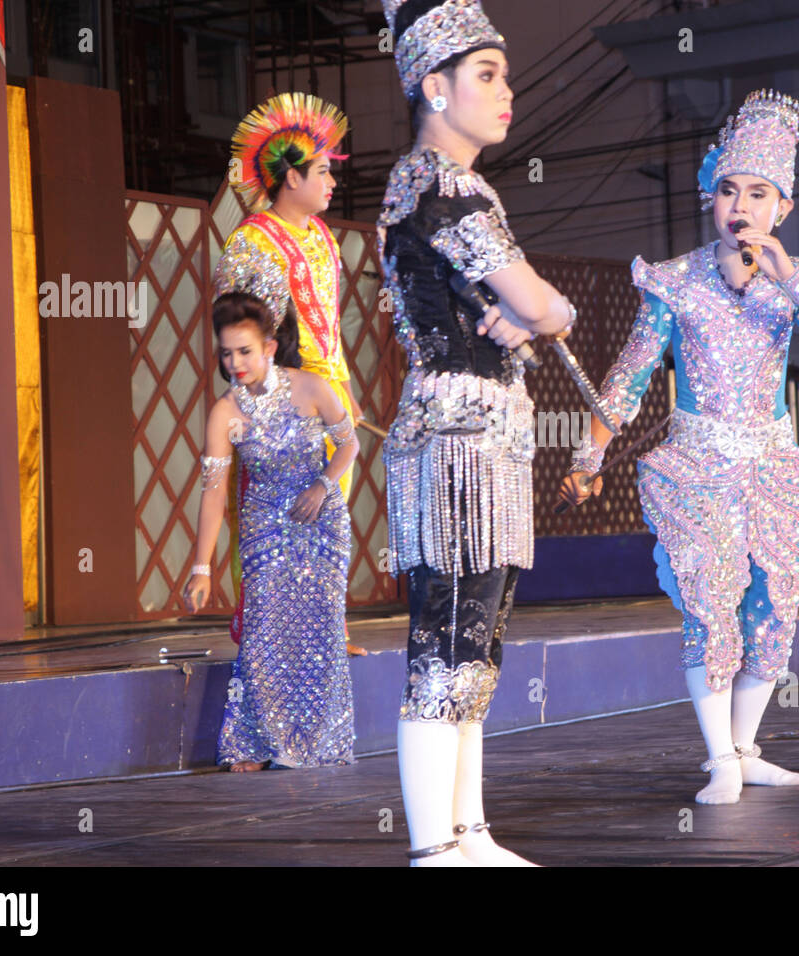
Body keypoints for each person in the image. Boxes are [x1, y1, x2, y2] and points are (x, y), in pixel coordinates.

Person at [560, 90, 799, 805]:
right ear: (711, 195)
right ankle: (718, 758)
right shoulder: (673, 281)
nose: (741, 205)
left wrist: (794, 282)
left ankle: (747, 746)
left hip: (771, 461)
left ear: (780, 208)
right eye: (729, 189)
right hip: (698, 465)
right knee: (711, 604)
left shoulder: (796, 283)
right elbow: (629, 377)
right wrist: (587, 458)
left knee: (776, 606)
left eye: (758, 193)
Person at [378, 0, 577, 864]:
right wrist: (545, 310)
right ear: (433, 85)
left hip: (481, 436)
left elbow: (515, 312)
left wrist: (526, 317)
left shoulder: (452, 186)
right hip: (457, 440)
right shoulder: (440, 183)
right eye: (487, 75)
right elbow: (535, 301)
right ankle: (434, 848)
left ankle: (468, 835)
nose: (507, 92)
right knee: (451, 639)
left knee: (476, 645)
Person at [212, 91, 367, 656]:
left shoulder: (323, 238)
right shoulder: (251, 242)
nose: (332, 182)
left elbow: (329, 325)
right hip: (278, 399)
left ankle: (327, 625)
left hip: (325, 393)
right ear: (291, 177)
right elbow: (240, 336)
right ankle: (266, 627)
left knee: (327, 511)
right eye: (324, 171)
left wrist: (344, 391)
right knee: (270, 514)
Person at [184, 291, 359, 771]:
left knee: (320, 632)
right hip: (264, 527)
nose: (234, 362)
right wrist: (202, 567)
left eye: (244, 351)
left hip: (320, 523)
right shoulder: (226, 413)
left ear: (269, 347)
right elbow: (214, 494)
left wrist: (323, 487)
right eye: (226, 352)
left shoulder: (312, 387)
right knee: (264, 632)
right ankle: (258, 743)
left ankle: (319, 740)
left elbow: (349, 444)